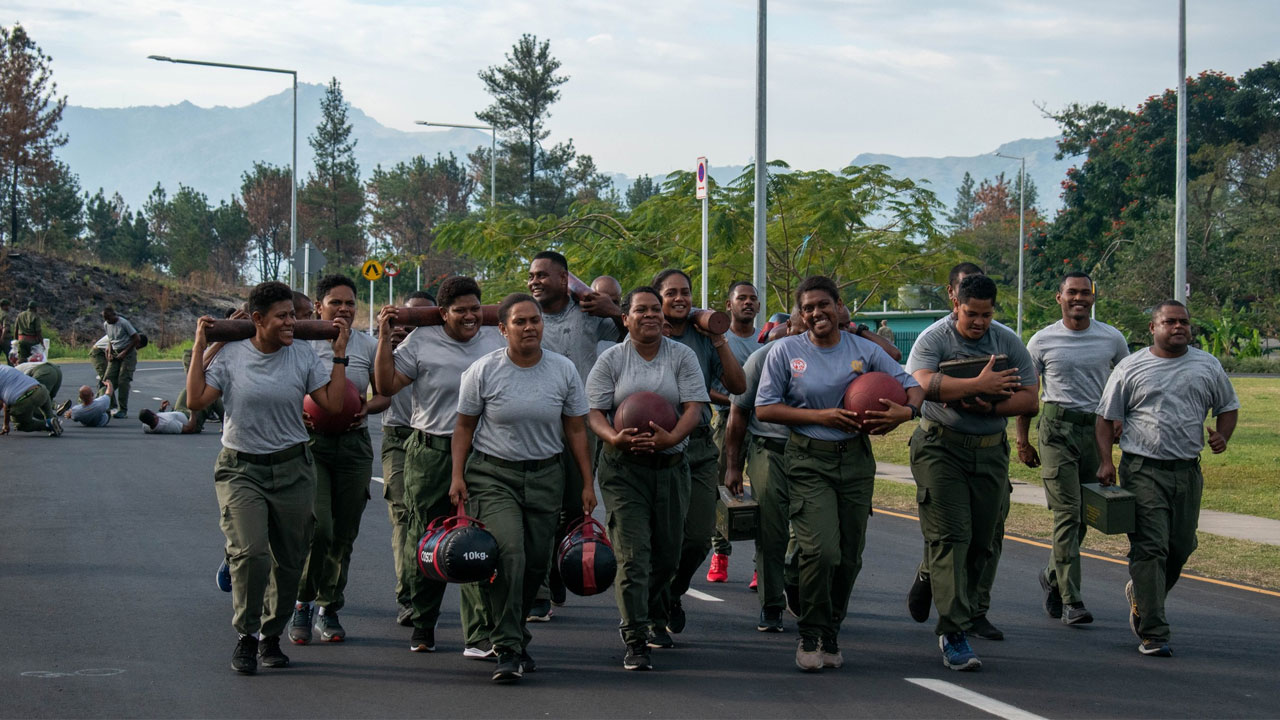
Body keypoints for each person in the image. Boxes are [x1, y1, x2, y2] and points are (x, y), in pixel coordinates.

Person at [184, 280, 352, 675]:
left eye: (294, 315)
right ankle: (247, 636)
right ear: (257, 320)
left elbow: (330, 403)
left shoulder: (303, 356)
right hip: (241, 469)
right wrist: (200, 344)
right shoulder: (232, 356)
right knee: (252, 553)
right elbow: (194, 400)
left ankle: (271, 636)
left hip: (293, 467)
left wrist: (339, 356)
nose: (292, 322)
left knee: (291, 560)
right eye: (282, 316)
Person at [756, 275, 923, 672]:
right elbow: (764, 409)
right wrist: (821, 416)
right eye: (808, 307)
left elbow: (912, 385)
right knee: (821, 550)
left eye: (823, 305)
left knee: (849, 556)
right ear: (800, 313)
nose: (816, 313)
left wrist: (908, 411)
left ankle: (832, 628)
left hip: (855, 460)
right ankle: (811, 633)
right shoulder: (784, 352)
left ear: (838, 306)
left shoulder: (862, 349)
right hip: (808, 458)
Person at [450, 293, 597, 682]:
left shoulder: (563, 370)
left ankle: (513, 633)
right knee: (509, 553)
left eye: (535, 320)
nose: (530, 327)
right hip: (494, 475)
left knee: (535, 564)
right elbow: (464, 427)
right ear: (502, 329)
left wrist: (586, 482)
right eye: (520, 322)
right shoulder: (483, 371)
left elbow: (577, 428)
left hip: (547, 474)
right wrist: (457, 476)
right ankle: (509, 648)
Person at [905, 273, 1038, 671]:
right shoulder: (934, 338)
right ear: (955, 305)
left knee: (982, 542)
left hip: (989, 452)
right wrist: (977, 384)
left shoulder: (1007, 340)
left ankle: (930, 574)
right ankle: (953, 632)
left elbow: (1031, 398)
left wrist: (993, 406)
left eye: (985, 314)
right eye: (970, 314)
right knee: (952, 537)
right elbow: (921, 383)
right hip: (940, 448)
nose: (978, 322)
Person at [1096, 300, 1238, 658]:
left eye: (1184, 322)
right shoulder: (1131, 367)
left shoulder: (1207, 365)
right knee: (1150, 548)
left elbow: (1228, 406)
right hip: (1142, 470)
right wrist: (1105, 462)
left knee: (1180, 547)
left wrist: (1223, 435)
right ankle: (1154, 631)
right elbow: (1104, 417)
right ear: (1153, 328)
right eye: (1170, 321)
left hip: (1187, 471)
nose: (1179, 327)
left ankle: (1142, 595)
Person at [374, 276, 505, 655]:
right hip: (431, 452)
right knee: (426, 539)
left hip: (483, 452)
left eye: (475, 308)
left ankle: (479, 633)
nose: (469, 316)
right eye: (460, 310)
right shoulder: (422, 341)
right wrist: (384, 337)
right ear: (443, 313)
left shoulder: (494, 339)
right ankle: (423, 622)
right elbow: (386, 385)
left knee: (480, 541)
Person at [586, 286, 707, 670]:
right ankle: (635, 635)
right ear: (626, 318)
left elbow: (694, 408)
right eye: (641, 310)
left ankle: (656, 614)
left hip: (670, 466)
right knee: (633, 555)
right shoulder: (611, 359)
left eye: (656, 309)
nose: (651, 315)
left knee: (668, 554)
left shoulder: (682, 356)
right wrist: (613, 438)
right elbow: (594, 413)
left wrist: (672, 438)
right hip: (623, 470)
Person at [1019, 272, 1129, 625]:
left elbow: (1126, 384)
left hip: (1096, 431)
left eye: (1085, 293)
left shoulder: (1112, 338)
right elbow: (1027, 394)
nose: (1079, 298)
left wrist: (1121, 425)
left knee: (1084, 514)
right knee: (1067, 513)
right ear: (1059, 298)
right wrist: (1022, 440)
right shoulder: (1042, 340)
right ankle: (1072, 600)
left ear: (1094, 298)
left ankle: (1052, 574)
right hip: (1056, 429)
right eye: (1072, 293)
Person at [289, 275, 391, 644]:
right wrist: (291, 410)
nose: (344, 309)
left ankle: (328, 607)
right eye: (336, 302)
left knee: (344, 532)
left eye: (350, 303)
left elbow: (384, 394)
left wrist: (367, 407)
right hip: (310, 445)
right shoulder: (300, 344)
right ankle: (301, 602)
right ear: (319, 307)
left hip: (353, 446)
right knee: (320, 528)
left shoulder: (367, 344)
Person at [525, 251, 623, 620]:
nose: (535, 281)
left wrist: (612, 308)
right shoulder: (526, 316)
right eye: (531, 276)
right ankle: (539, 590)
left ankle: (556, 565)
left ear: (565, 279)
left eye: (543, 276)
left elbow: (633, 330)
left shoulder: (588, 313)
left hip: (581, 423)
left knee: (572, 505)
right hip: (535, 423)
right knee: (539, 506)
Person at [651, 268, 745, 640]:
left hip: (700, 446)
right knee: (661, 539)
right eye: (671, 292)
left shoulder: (704, 335)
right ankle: (654, 617)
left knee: (697, 537)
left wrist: (720, 340)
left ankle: (672, 593)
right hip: (654, 446)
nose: (680, 298)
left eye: (685, 292)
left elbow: (738, 387)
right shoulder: (644, 329)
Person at [723, 309, 806, 633]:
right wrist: (733, 467)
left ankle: (795, 579)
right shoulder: (762, 358)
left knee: (814, 531)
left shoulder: (834, 356)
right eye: (801, 324)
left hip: (816, 454)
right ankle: (771, 605)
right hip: (770, 450)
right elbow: (738, 414)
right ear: (789, 327)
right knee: (773, 530)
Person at [381, 290, 435, 628]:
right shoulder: (389, 346)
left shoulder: (441, 345)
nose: (413, 325)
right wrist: (388, 345)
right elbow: (378, 388)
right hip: (398, 438)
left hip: (435, 441)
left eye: (423, 319)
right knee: (404, 515)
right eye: (409, 317)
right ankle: (409, 598)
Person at [707, 281, 761, 584]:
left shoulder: (766, 340)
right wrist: (735, 399)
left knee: (766, 495)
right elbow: (707, 386)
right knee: (723, 489)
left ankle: (760, 565)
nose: (748, 303)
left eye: (753, 299)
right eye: (742, 298)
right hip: (727, 419)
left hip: (763, 423)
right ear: (729, 305)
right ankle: (720, 553)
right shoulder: (718, 340)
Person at [100, 306, 142, 418]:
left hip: (128, 354)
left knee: (123, 381)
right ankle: (108, 406)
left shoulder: (123, 323)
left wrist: (124, 352)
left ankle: (123, 409)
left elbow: (136, 338)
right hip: (115, 353)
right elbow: (110, 338)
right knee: (107, 380)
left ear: (114, 315)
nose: (108, 320)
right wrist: (109, 350)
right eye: (105, 318)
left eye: (109, 318)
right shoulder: (106, 324)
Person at [1, 363, 61, 437]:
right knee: (48, 414)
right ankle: (52, 421)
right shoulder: (4, 368)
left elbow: (2, 404)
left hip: (23, 400)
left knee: (21, 425)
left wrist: (6, 424)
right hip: (41, 390)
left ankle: (47, 424)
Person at [0, 298, 14, 365]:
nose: (9, 307)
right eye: (7, 306)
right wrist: (2, 338)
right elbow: (6, 328)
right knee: (10, 357)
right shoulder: (5, 314)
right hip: (5, 338)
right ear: (4, 306)